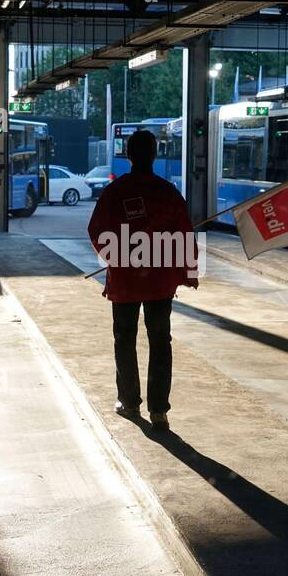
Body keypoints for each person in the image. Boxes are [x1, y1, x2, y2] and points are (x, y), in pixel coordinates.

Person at [87, 129, 197, 432]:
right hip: (161, 281)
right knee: (160, 341)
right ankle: (159, 411)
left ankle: (129, 402)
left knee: (125, 339)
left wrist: (115, 257)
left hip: (125, 281)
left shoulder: (114, 192)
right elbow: (184, 234)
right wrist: (187, 272)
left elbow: (96, 230)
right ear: (155, 155)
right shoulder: (168, 192)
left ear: (128, 155)